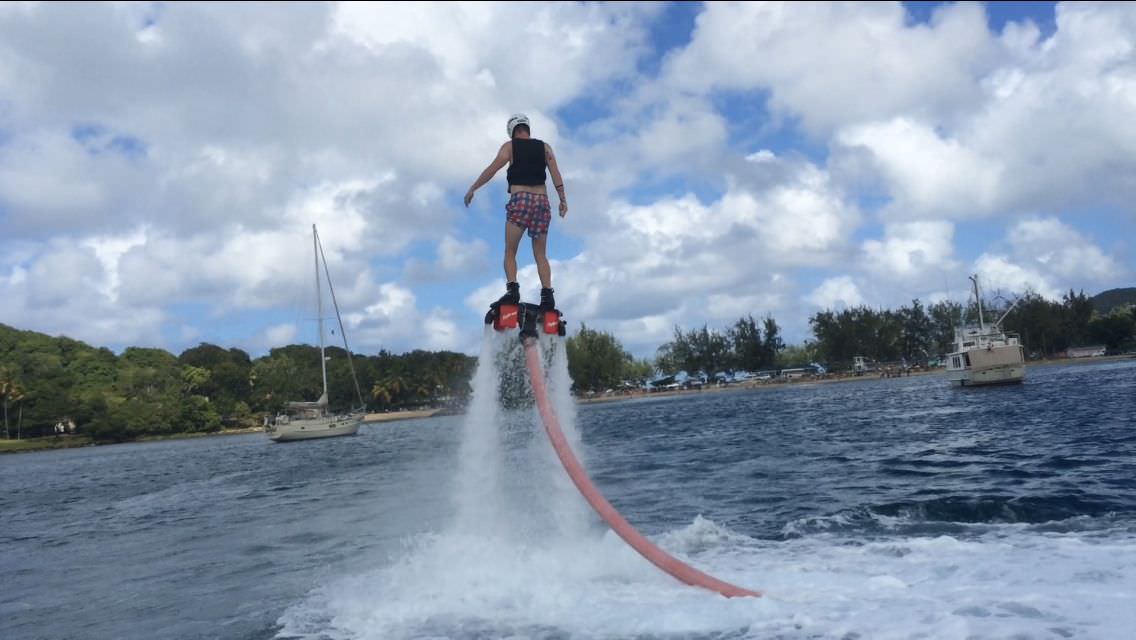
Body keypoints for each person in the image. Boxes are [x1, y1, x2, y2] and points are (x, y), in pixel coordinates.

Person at [464, 113, 567, 310]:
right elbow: (555, 173)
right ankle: (547, 296)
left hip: (520, 200)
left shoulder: (509, 147)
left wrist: (473, 188)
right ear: (527, 129)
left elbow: (492, 169)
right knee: (541, 254)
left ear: (512, 131)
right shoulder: (545, 147)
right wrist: (563, 200)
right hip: (542, 202)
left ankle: (512, 291)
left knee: (510, 251)